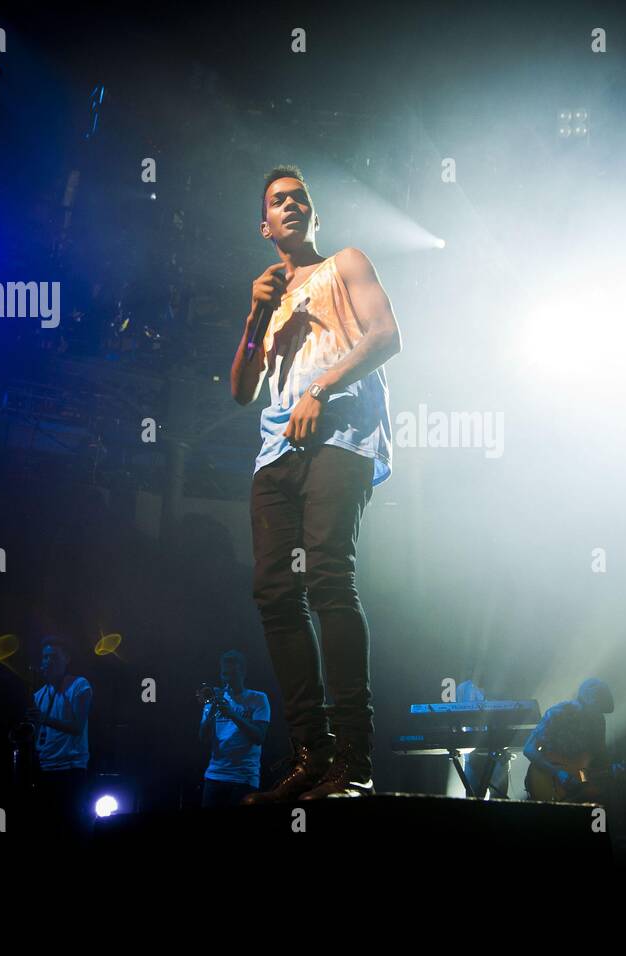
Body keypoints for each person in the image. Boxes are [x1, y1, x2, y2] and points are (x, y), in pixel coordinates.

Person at [229, 165, 401, 801]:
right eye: (277, 201)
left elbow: (387, 335)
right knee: (274, 592)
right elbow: (242, 390)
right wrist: (255, 315)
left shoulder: (346, 264)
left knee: (328, 575)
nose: (290, 205)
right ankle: (311, 753)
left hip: (339, 434)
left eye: (299, 198)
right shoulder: (270, 299)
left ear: (313, 216)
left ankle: (354, 756)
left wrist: (321, 388)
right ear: (264, 224)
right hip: (276, 451)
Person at [26, 637, 93, 841]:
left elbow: (77, 727)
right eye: (45, 657)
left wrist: (44, 719)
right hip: (45, 769)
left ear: (67, 659)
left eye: (53, 657)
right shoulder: (38, 695)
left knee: (71, 829)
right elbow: (39, 735)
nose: (48, 662)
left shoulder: (80, 685)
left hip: (71, 770)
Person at [524, 678, 620, 800]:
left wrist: (611, 769)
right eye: (597, 700)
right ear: (588, 697)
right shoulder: (560, 712)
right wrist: (559, 773)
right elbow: (529, 749)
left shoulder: (599, 720)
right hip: (546, 780)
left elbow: (599, 756)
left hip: (579, 779)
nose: (598, 710)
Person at [199, 650, 271, 806]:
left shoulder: (258, 698)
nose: (228, 679)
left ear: (243, 673)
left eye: (233, 674)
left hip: (244, 779)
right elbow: (202, 738)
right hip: (214, 776)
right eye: (225, 674)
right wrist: (212, 708)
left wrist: (232, 714)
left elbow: (259, 737)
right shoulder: (213, 701)